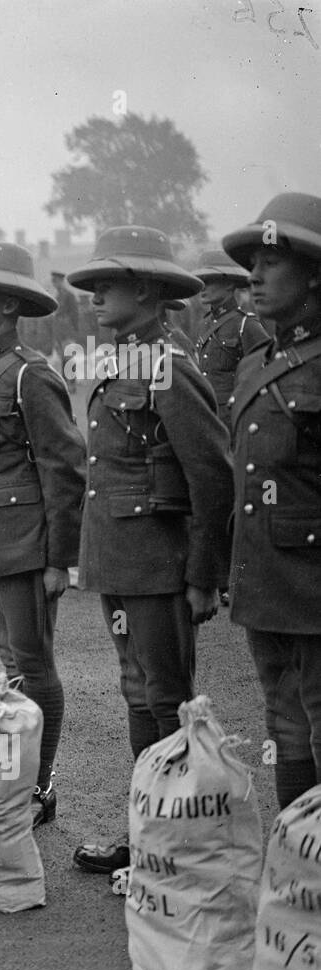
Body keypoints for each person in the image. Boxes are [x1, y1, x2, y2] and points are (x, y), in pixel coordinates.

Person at [64, 227, 233, 874]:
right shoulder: (124, 361)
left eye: (109, 283)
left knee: (166, 697)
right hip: (122, 557)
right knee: (138, 693)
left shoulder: (170, 367)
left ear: (146, 290)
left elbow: (211, 475)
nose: (96, 295)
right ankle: (149, 835)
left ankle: (176, 848)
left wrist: (202, 575)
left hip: (161, 563)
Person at [0, 242, 87, 827]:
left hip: (26, 543)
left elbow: (65, 468)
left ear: (8, 303)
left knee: (33, 664)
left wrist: (60, 560)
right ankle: (19, 775)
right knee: (12, 661)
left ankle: (41, 785)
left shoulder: (31, 374)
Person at [222, 192, 321, 809]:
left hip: (314, 579)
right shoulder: (260, 359)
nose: (253, 276)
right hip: (265, 571)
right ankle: (299, 867)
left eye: (272, 263)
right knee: (284, 723)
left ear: (313, 274)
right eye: (252, 262)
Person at [193, 248, 270, 427]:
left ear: (229, 284)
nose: (203, 287)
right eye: (201, 280)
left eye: (210, 281)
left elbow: (265, 371)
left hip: (233, 419)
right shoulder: (204, 325)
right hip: (206, 415)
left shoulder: (245, 325)